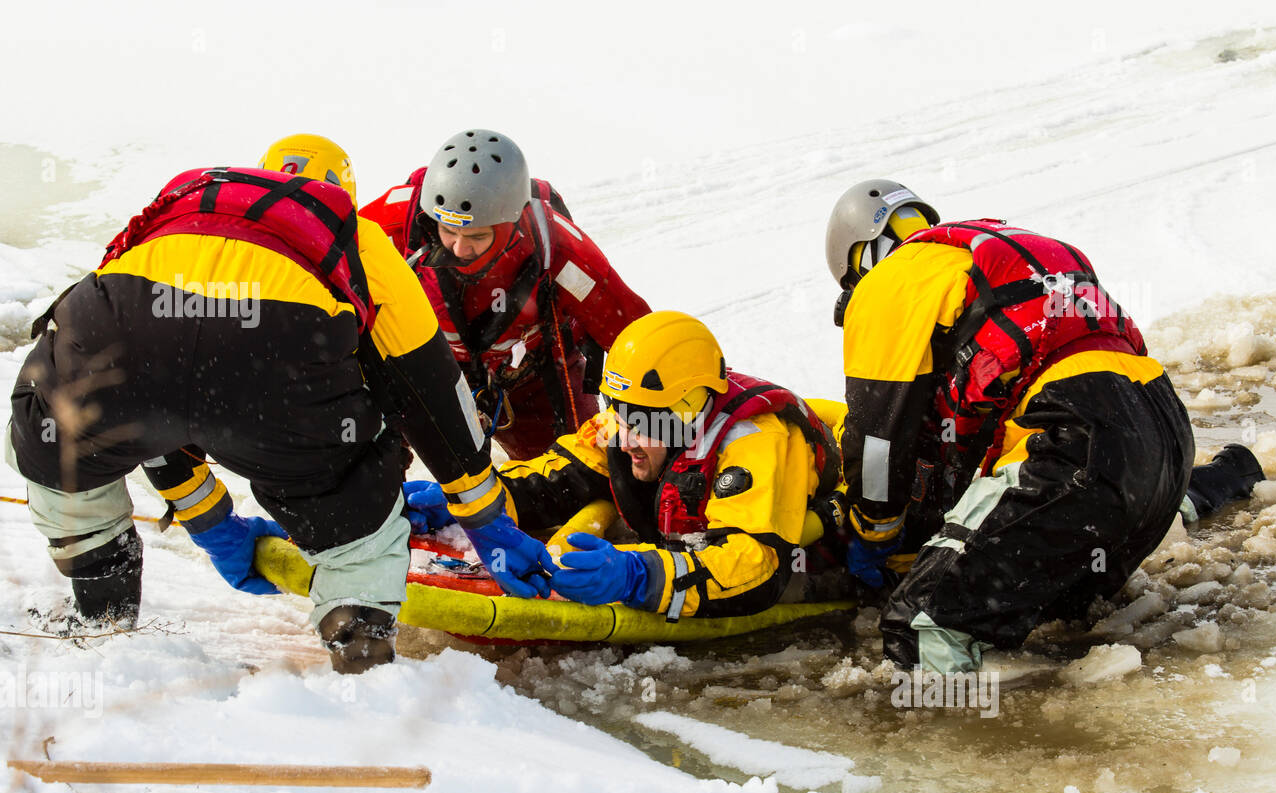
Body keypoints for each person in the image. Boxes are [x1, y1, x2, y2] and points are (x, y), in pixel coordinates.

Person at [6, 134, 555, 674]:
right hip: (277, 357)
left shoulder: (180, 204)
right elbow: (427, 386)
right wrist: (483, 516)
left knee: (69, 444)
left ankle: (102, 619)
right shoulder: (356, 235)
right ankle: (362, 656)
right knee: (354, 513)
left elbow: (147, 383)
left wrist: (213, 524)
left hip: (115, 341)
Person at [824, 178, 1262, 673]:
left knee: (920, 624)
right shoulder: (994, 255)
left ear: (859, 258)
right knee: (1052, 598)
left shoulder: (892, 281)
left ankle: (978, 743)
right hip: (1162, 427)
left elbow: (878, 440)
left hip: (1072, 438)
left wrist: (875, 533)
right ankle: (1224, 477)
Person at [407, 311, 844, 619]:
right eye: (619, 412)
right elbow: (557, 478)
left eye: (643, 422)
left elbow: (754, 566)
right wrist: (474, 502)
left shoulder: (758, 442)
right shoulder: (638, 417)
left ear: (686, 413)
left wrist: (639, 576)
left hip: (808, 553)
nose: (626, 435)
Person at [359, 129, 650, 460]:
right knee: (361, 463)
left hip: (530, 382)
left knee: (574, 473)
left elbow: (637, 336)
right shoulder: (389, 225)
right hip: (420, 375)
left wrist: (684, 418)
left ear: (510, 221)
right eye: (448, 230)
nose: (458, 247)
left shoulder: (558, 250)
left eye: (477, 236)